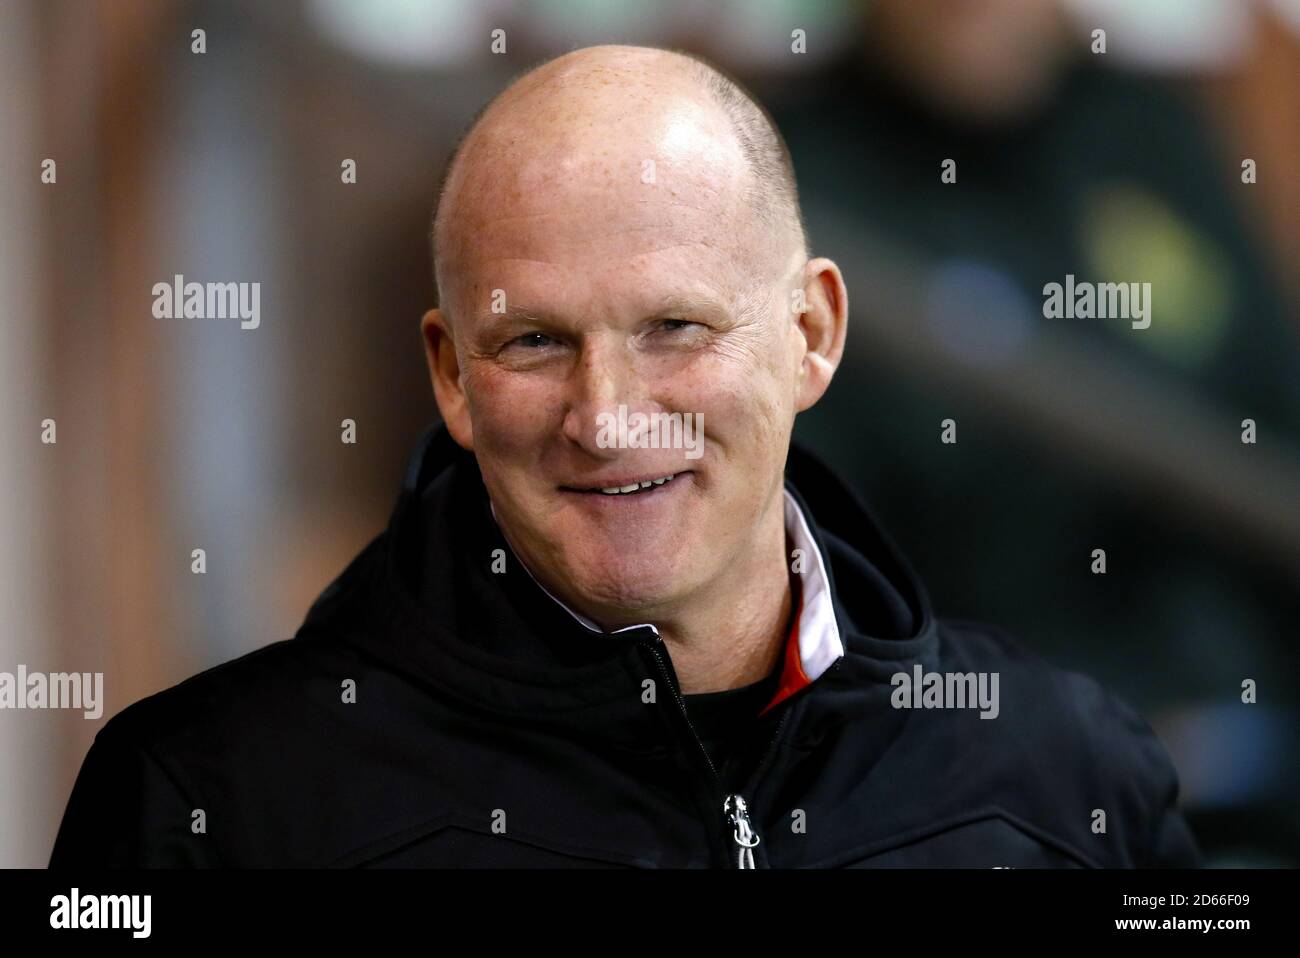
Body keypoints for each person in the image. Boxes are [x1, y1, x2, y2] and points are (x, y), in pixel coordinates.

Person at [49, 45, 1198, 868]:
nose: (606, 416)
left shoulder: (1071, 778)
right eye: (536, 340)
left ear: (811, 336)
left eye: (675, 328)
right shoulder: (208, 802)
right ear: (450, 376)